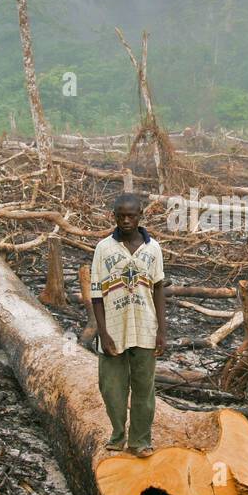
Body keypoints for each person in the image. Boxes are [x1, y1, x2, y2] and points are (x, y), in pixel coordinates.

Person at [90, 192, 167, 457]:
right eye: (120, 216)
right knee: (111, 387)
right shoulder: (104, 249)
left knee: (144, 389)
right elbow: (97, 295)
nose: (125, 221)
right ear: (114, 216)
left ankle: (140, 442)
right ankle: (117, 435)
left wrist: (161, 330)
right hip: (113, 327)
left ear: (140, 216)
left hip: (145, 327)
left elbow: (158, 289)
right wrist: (103, 332)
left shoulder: (153, 248)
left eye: (130, 216)